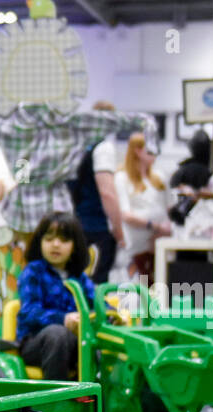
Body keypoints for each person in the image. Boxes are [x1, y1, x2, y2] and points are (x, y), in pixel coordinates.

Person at [15, 211, 96, 382]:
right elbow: (29, 312)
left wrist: (111, 317)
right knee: (57, 334)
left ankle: (98, 400)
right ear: (40, 242)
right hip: (36, 343)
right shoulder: (33, 272)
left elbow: (98, 304)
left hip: (73, 344)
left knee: (97, 341)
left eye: (64, 240)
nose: (56, 245)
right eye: (49, 239)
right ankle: (54, 404)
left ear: (75, 246)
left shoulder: (79, 278)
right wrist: (63, 319)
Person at [69, 101, 127, 283]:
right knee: (98, 287)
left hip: (76, 223)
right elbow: (107, 192)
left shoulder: (78, 147)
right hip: (98, 228)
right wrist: (118, 230)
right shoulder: (103, 148)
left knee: (76, 283)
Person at [115, 132, 171, 279]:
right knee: (142, 289)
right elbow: (126, 215)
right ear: (138, 151)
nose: (155, 154)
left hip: (161, 245)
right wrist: (155, 227)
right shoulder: (122, 178)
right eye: (151, 150)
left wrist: (164, 230)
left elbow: (169, 208)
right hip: (137, 246)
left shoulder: (160, 178)